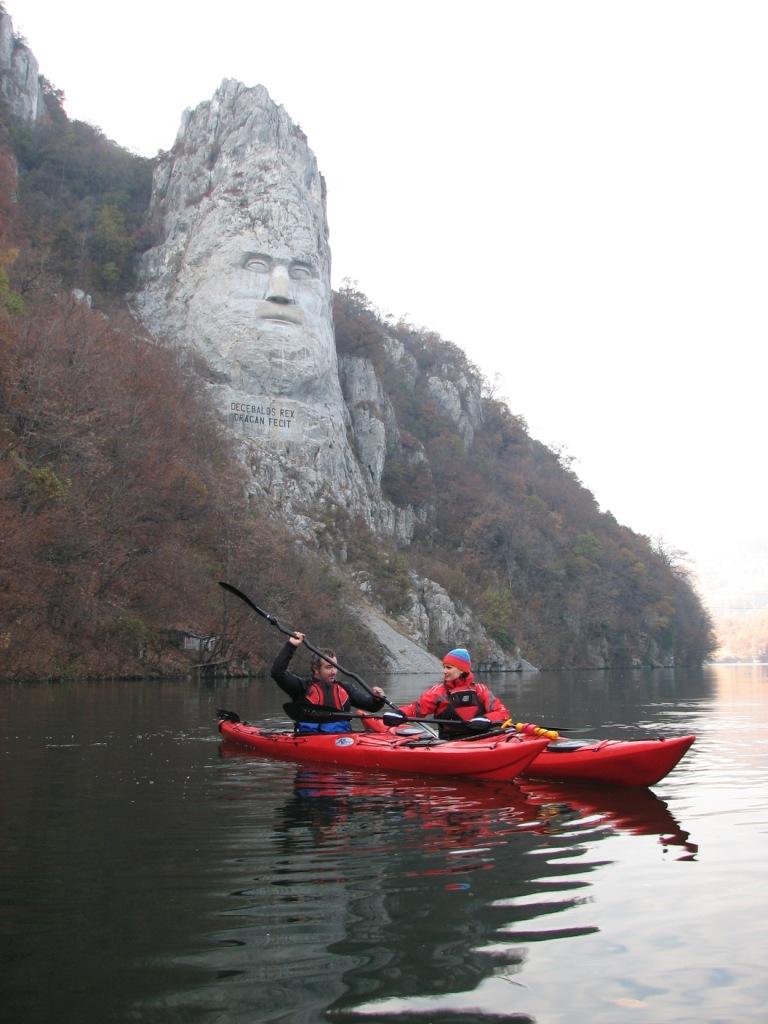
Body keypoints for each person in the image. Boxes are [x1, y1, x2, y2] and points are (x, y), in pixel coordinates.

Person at [271, 632, 386, 733]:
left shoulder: (346, 688)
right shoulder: (302, 688)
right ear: (316, 669)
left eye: (335, 667)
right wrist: (291, 645)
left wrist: (378, 699)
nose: (334, 672)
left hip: (343, 739)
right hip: (310, 739)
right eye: (329, 667)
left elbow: (371, 706)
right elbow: (277, 673)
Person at [383, 648, 511, 739]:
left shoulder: (480, 690)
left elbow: (503, 713)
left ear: (462, 670)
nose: (444, 671)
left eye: (449, 667)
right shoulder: (438, 692)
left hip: (481, 740)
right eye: (444, 667)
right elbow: (416, 709)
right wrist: (399, 714)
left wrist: (487, 719)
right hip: (449, 742)